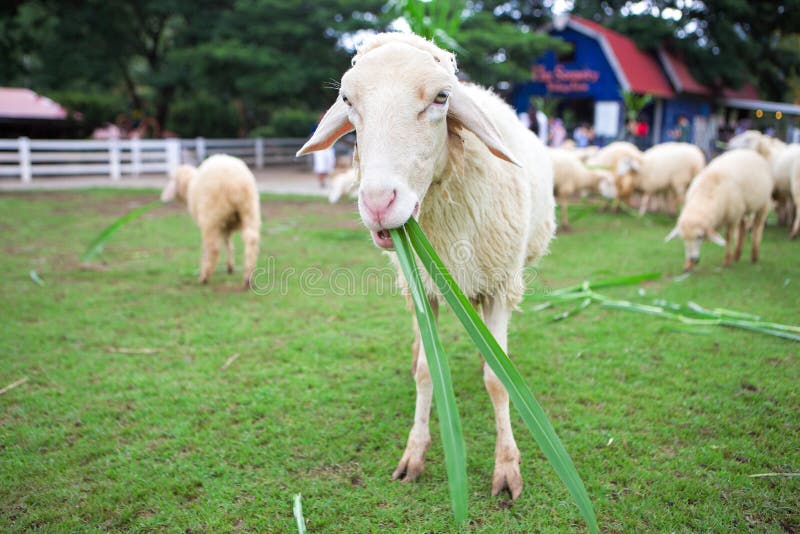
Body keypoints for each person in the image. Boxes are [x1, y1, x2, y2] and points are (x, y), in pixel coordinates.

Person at [311, 113, 336, 187]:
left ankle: (324, 179)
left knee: (329, 165)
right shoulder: (315, 126)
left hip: (328, 148)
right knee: (320, 165)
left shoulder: (329, 126)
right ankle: (321, 181)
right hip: (319, 149)